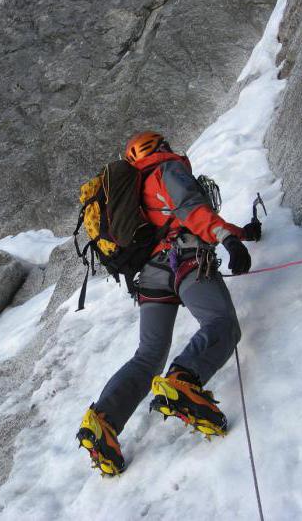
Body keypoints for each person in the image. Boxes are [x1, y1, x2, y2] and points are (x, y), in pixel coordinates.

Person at [76, 131, 261, 476]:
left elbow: (179, 215)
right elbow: (193, 211)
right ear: (159, 148)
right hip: (188, 261)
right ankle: (183, 379)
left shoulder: (133, 190)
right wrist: (229, 242)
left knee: (148, 356)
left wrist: (242, 233)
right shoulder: (166, 168)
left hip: (150, 276)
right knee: (222, 324)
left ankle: (103, 421)